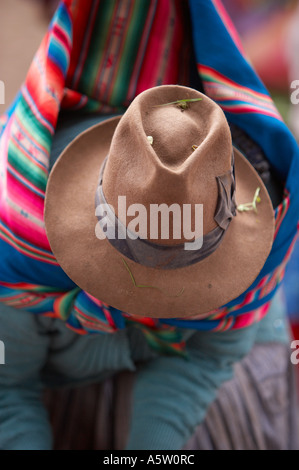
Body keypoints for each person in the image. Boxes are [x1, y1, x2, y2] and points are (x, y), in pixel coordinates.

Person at [0, 0, 298, 451]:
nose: (160, 291)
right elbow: (8, 391)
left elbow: (203, 363)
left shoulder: (260, 250)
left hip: (224, 378)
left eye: (184, 268)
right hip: (53, 377)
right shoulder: (20, 242)